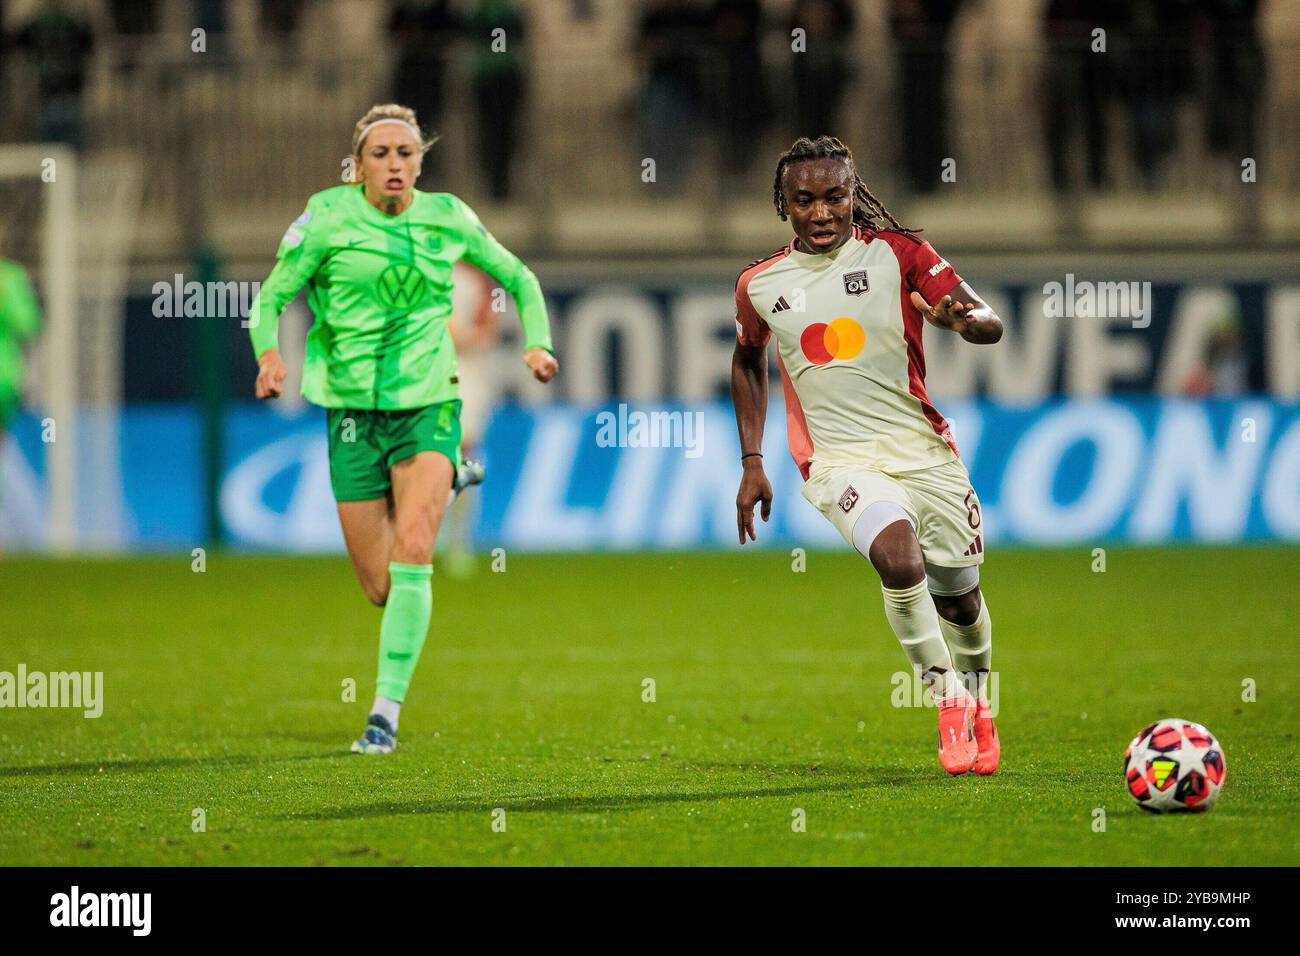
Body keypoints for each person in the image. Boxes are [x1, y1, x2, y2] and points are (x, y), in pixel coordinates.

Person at [247, 104, 558, 754]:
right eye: (382, 153)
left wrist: (538, 344)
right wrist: (270, 354)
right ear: (357, 163)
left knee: (415, 552)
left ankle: (382, 717)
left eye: (407, 153)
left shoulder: (449, 217)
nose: (395, 164)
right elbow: (272, 297)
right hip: (353, 413)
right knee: (381, 585)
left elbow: (519, 278)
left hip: (429, 403)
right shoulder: (326, 216)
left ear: (421, 161)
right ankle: (455, 478)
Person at [730, 135, 1002, 776]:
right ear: (783, 204)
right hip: (837, 461)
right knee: (897, 557)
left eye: (834, 197)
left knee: (960, 599)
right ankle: (947, 702)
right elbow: (746, 361)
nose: (821, 212)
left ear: (854, 196)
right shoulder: (760, 285)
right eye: (805, 200)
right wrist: (750, 460)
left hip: (924, 454)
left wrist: (962, 321)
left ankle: (982, 699)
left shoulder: (901, 255)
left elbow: (985, 318)